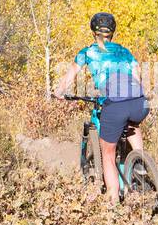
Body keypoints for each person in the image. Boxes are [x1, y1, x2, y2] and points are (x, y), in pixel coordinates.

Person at [52, 12, 148, 203]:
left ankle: (113, 201)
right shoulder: (124, 51)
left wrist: (59, 92)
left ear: (94, 32)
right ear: (112, 32)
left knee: (108, 155)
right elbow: (137, 76)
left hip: (115, 104)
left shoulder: (88, 52)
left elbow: (71, 75)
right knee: (132, 122)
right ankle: (140, 160)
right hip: (140, 102)